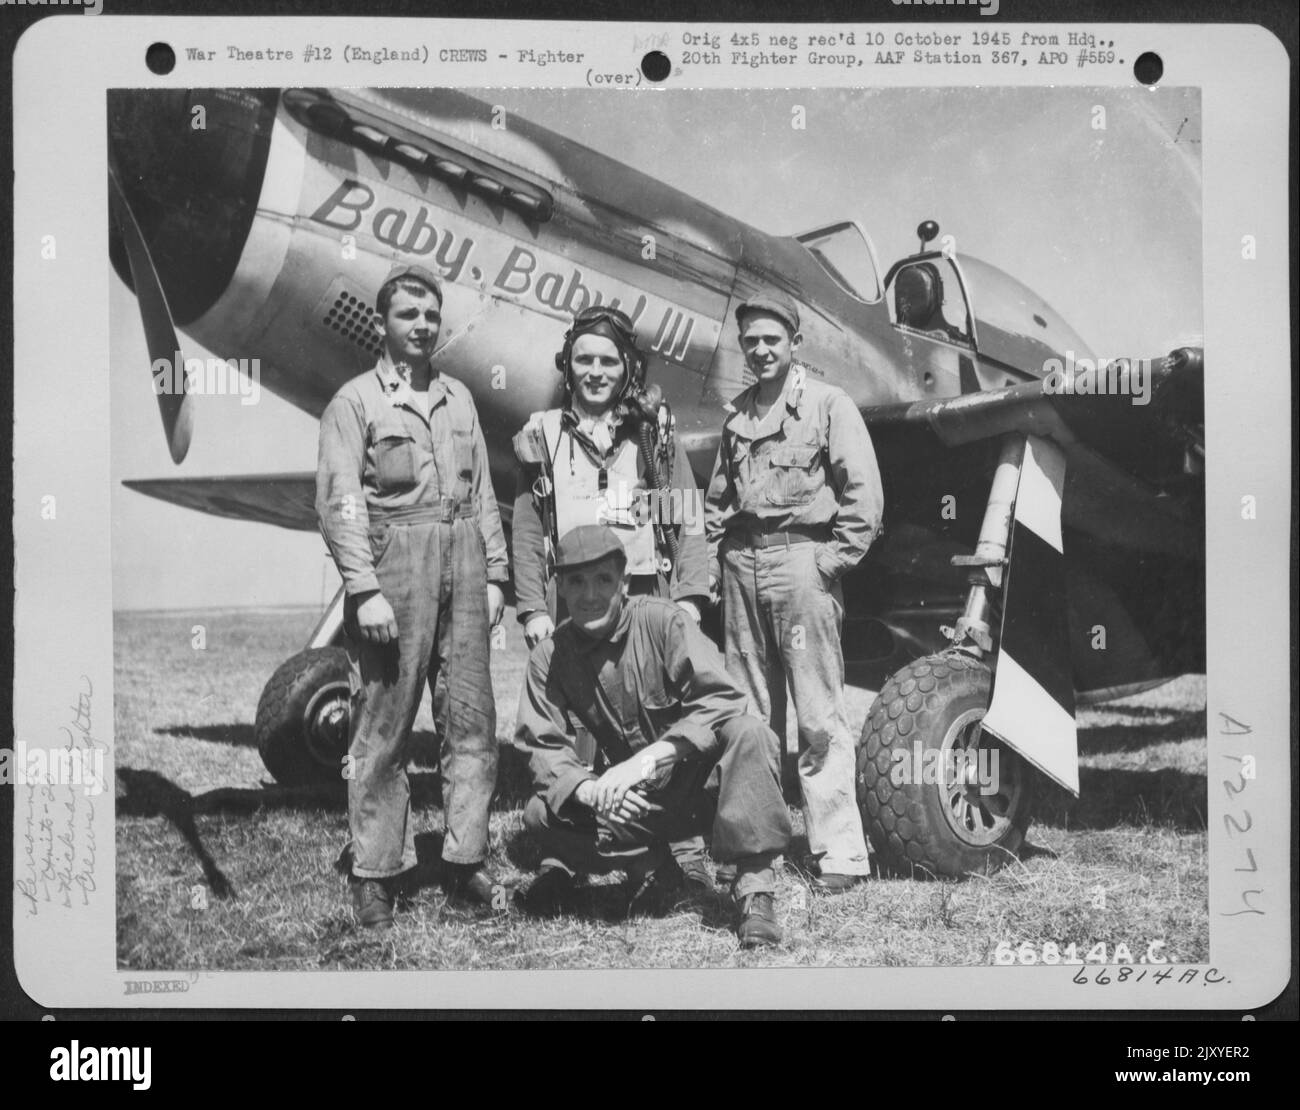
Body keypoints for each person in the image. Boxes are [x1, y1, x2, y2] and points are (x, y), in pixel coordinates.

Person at [316, 263, 509, 928]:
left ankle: (465, 858)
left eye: (431, 315)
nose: (422, 326)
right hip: (395, 565)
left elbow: (482, 491)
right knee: (384, 726)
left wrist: (495, 575)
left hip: (464, 558)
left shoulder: (459, 397)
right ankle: (375, 870)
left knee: (470, 721)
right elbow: (341, 501)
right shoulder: (354, 402)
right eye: (408, 315)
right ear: (381, 323)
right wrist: (363, 588)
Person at [513, 525, 792, 949]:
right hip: (636, 805)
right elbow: (541, 745)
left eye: (603, 579)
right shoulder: (550, 657)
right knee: (541, 812)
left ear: (624, 582)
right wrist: (589, 790)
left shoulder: (664, 622)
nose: (590, 595)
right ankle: (657, 866)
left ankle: (755, 894)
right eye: (577, 582)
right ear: (560, 588)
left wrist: (649, 759)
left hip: (701, 796)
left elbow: (725, 701)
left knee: (750, 734)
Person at [511, 304, 711, 885]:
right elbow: (527, 530)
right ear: (567, 367)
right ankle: (561, 854)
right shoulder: (541, 438)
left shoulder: (653, 436)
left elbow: (687, 519)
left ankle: (683, 847)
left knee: (661, 722)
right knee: (573, 722)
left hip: (645, 596)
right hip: (574, 601)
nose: (595, 372)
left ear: (627, 368)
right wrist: (531, 611)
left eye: (607, 360)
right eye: (583, 360)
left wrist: (691, 598)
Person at [704, 291, 884, 892]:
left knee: (817, 713)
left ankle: (838, 853)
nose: (759, 350)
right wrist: (717, 561)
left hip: (803, 568)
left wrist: (830, 563)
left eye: (771, 340)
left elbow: (864, 497)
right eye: (750, 341)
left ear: (794, 344)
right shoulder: (737, 420)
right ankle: (758, 848)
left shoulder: (829, 405)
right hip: (742, 569)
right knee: (750, 716)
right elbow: (718, 503)